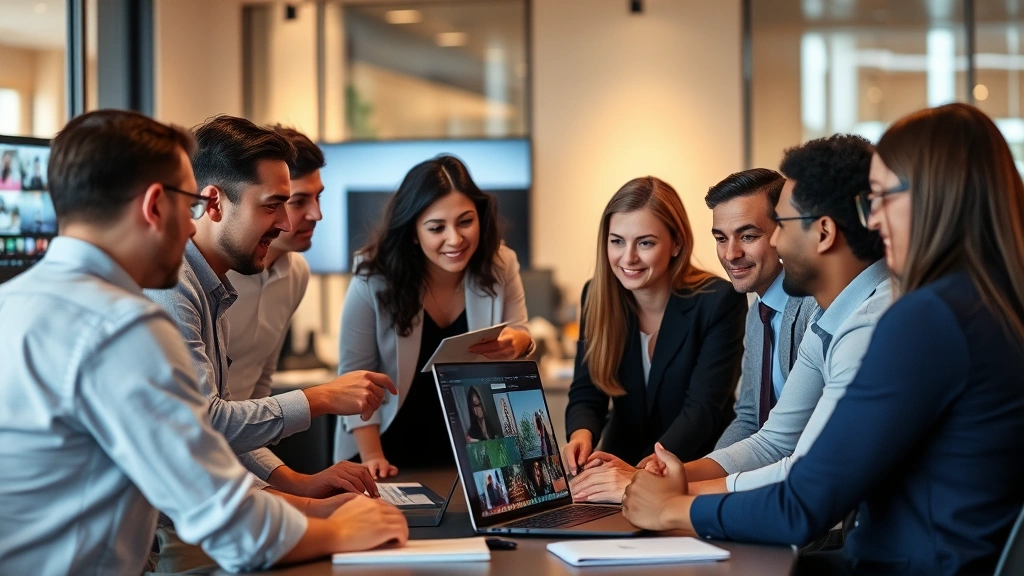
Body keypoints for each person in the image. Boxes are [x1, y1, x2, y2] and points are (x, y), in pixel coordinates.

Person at [0, 110, 407, 575]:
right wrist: (339, 530)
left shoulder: (13, 304)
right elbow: (219, 511)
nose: (193, 227)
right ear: (155, 205)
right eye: (188, 202)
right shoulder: (123, 327)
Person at [623, 103, 1024, 576]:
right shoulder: (983, 305)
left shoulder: (926, 319)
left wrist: (672, 508)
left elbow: (802, 503)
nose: (872, 221)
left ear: (932, 196)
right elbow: (784, 453)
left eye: (879, 198)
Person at [144, 115, 398, 570]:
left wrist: (296, 489)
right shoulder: (173, 288)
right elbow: (208, 427)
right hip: (174, 525)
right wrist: (320, 399)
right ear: (214, 203)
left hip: (209, 507)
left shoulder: (214, 287)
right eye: (273, 205)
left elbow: (235, 422)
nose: (286, 223)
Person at [333, 155, 534, 477]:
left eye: (465, 221)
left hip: (475, 443)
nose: (455, 239)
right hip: (385, 444)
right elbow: (355, 377)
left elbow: (520, 332)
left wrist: (520, 342)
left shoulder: (502, 264)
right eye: (436, 228)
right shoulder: (373, 278)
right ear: (413, 232)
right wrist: (371, 456)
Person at [563, 176, 746, 485]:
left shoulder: (718, 300)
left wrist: (640, 473)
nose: (628, 257)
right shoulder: (596, 295)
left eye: (645, 242)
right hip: (617, 467)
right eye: (617, 241)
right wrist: (581, 435)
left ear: (676, 243)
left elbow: (702, 410)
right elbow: (586, 392)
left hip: (690, 473)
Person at [223, 124, 354, 498]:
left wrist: (292, 484)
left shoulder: (295, 273)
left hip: (235, 469)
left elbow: (254, 409)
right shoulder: (207, 279)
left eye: (318, 198)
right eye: (298, 201)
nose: (316, 214)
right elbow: (206, 422)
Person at [706, 169, 816, 449]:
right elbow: (748, 419)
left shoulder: (814, 305)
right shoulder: (757, 315)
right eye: (721, 239)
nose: (731, 254)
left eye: (748, 236)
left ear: (783, 233)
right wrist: (695, 471)